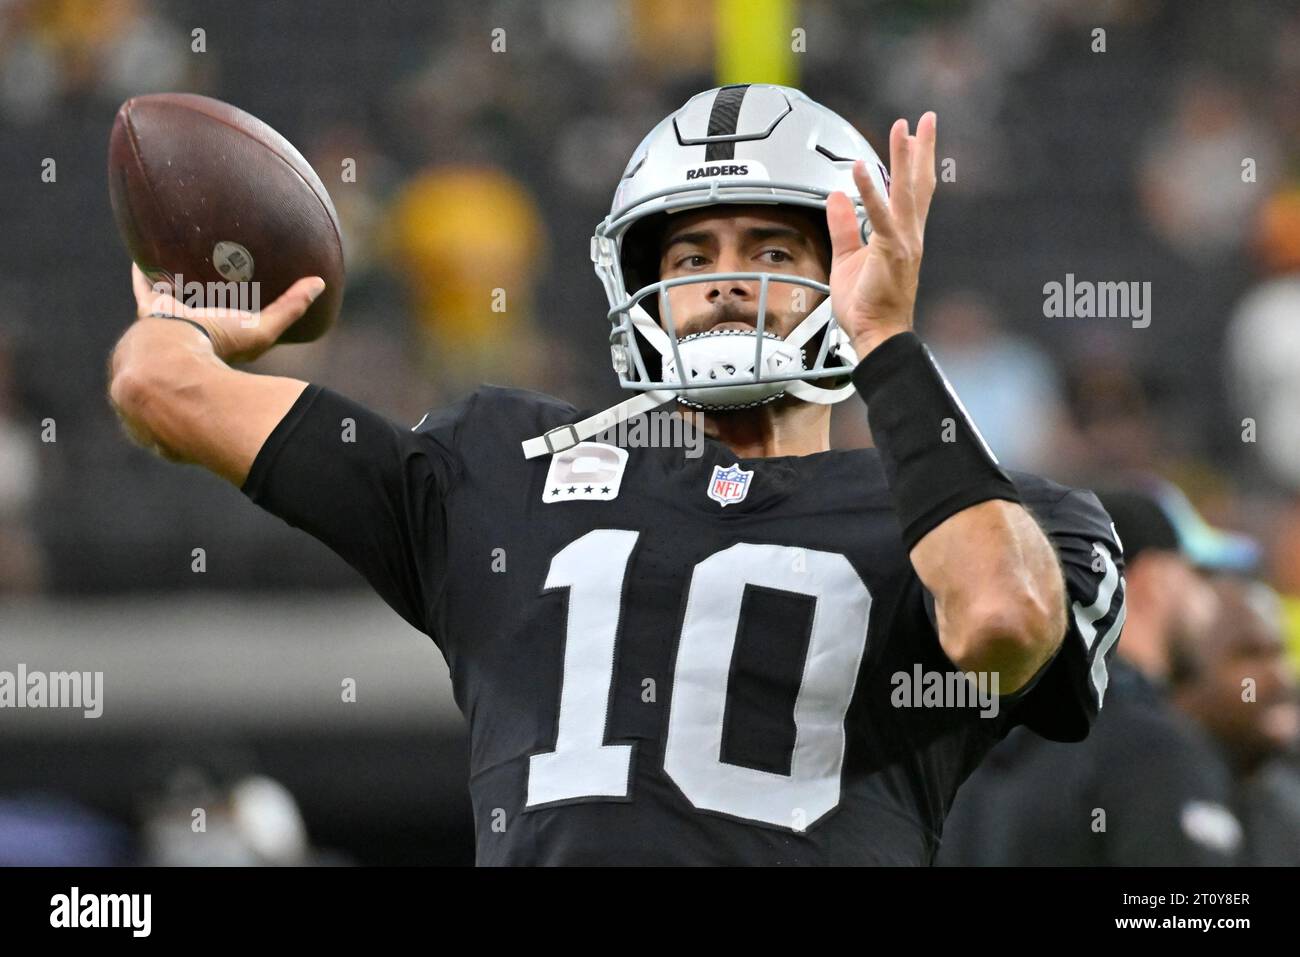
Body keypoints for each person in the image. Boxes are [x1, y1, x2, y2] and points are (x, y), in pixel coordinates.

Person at [107, 85, 1125, 865]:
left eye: (773, 245)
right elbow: (166, 389)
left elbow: (997, 622)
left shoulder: (997, 521)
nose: (726, 276)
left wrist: (889, 348)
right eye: (689, 256)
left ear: (857, 265)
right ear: (639, 285)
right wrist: (194, 321)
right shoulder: (503, 467)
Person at [938, 482, 1243, 865]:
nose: (1211, 603)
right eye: (1200, 577)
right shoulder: (1154, 750)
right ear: (1155, 580)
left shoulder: (975, 740)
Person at [1173, 577, 1300, 865]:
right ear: (1186, 683)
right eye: (1250, 654)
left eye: (1280, 652)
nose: (1279, 676)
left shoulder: (1288, 797)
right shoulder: (1150, 796)